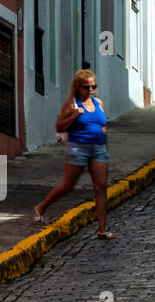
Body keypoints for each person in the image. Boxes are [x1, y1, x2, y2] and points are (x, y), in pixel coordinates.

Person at [32, 69, 115, 239]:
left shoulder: (98, 103)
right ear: (78, 88)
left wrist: (105, 147)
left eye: (93, 86)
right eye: (86, 87)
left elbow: (103, 125)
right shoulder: (71, 104)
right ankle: (41, 207)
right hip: (78, 147)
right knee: (68, 186)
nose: (90, 90)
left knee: (100, 187)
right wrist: (74, 116)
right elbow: (59, 127)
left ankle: (102, 230)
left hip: (98, 148)